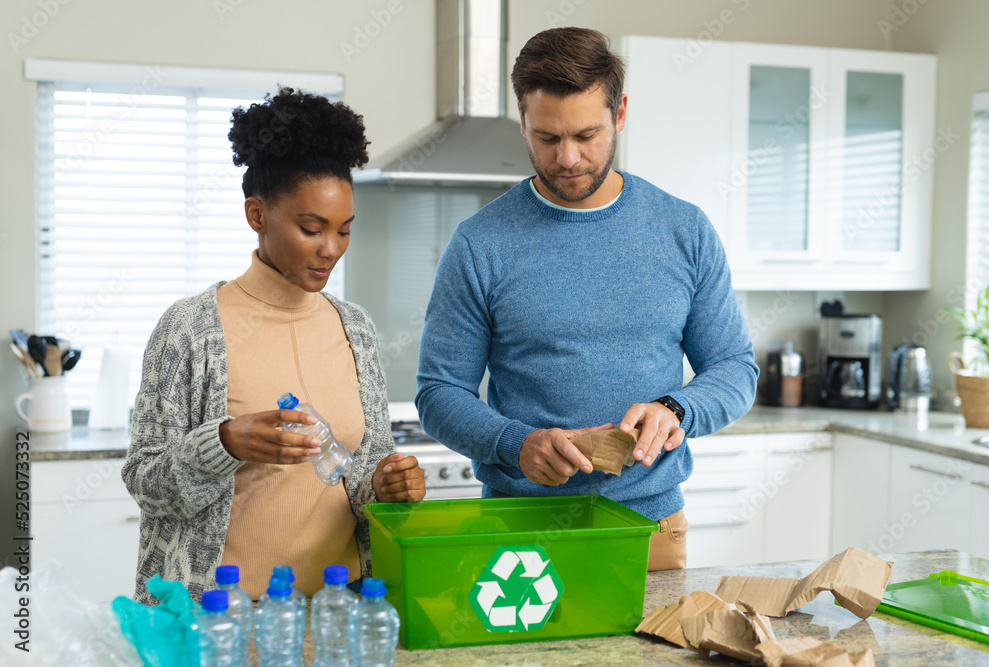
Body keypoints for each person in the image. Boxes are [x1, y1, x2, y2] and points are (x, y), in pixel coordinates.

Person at [415, 28, 758, 570]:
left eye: (586, 134)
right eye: (547, 138)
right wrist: (515, 443)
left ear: (619, 113)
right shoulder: (480, 243)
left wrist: (678, 409)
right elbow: (438, 393)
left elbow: (736, 369)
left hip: (647, 527)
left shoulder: (684, 230)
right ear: (523, 121)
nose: (568, 157)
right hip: (518, 534)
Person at [123, 88, 425, 604]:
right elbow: (146, 481)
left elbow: (362, 458)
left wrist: (386, 482)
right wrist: (225, 443)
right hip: (223, 614)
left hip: (341, 603)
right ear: (257, 215)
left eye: (345, 230)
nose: (331, 249)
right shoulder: (191, 328)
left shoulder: (354, 326)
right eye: (311, 228)